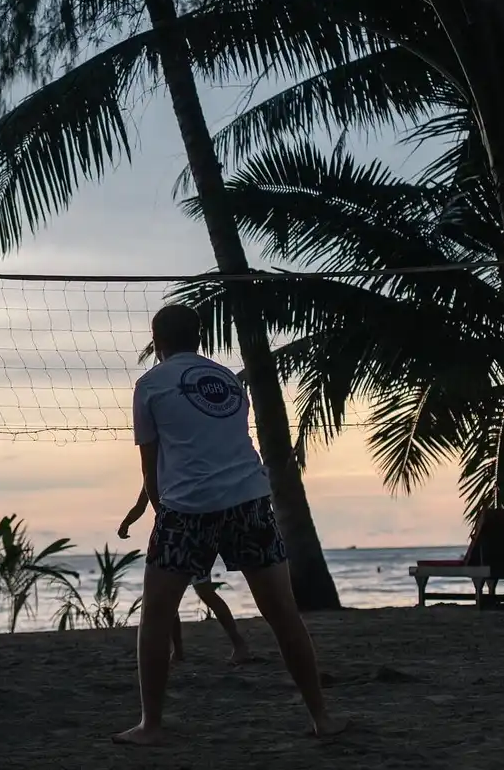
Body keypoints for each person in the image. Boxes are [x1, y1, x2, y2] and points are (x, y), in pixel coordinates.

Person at [113, 305, 344, 746]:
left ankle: (151, 725)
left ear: (156, 340)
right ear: (198, 339)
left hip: (188, 509)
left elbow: (150, 467)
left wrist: (164, 516)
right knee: (282, 613)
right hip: (249, 500)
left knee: (157, 614)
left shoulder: (150, 385)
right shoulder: (228, 380)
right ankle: (321, 717)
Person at [118, 487, 252, 665]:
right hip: (172, 538)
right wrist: (126, 523)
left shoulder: (178, 468)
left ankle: (238, 644)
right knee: (169, 597)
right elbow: (141, 505)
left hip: (194, 535)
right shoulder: (155, 473)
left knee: (204, 592)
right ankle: (178, 651)